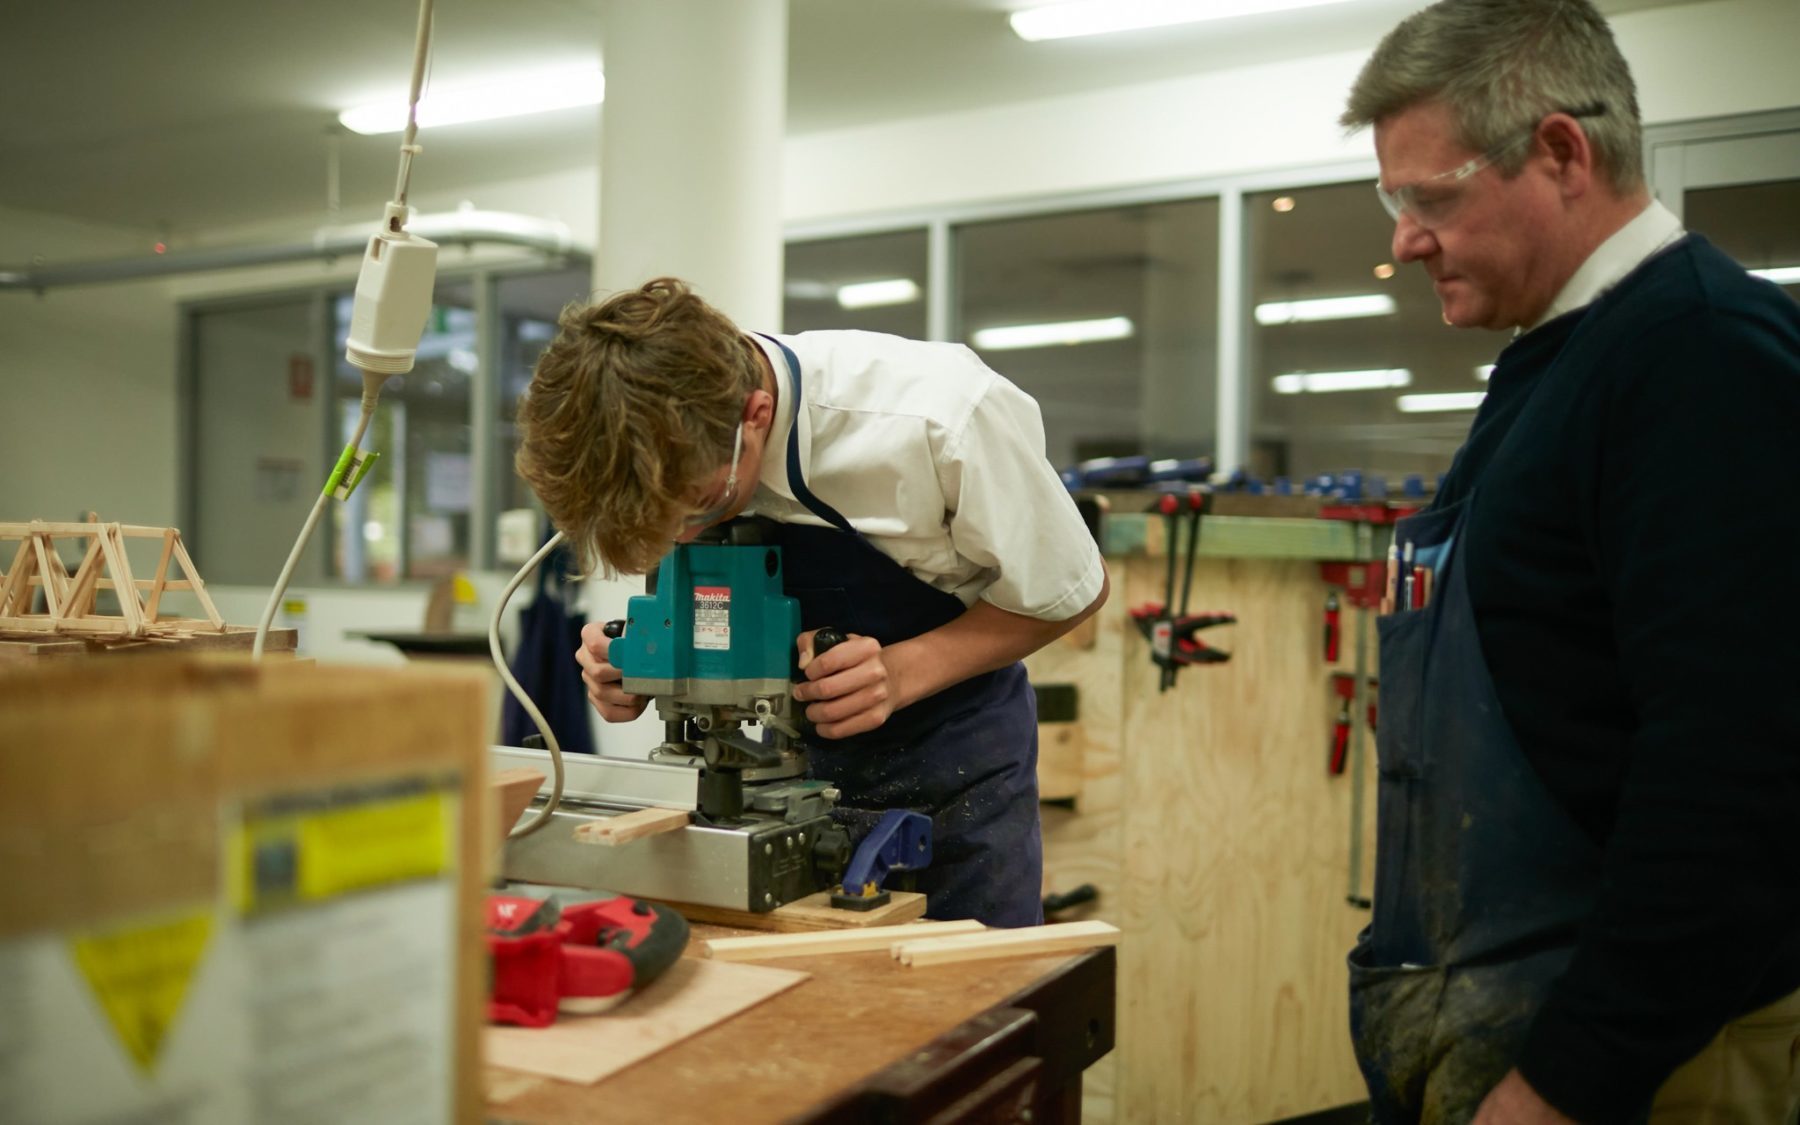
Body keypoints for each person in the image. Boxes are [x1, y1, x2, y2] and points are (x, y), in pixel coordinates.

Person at [1338, 1, 1800, 1121]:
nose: (1403, 240)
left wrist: (1568, 1080)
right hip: (1518, 1022)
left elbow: (1735, 775)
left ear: (1560, 153)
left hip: (1648, 1063)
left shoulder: (1700, 358)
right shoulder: (1555, 362)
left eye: (1428, 197)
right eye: (1392, 201)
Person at [513, 277, 1109, 927]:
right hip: (777, 786)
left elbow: (1071, 592)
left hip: (951, 783)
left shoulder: (939, 419)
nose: (683, 537)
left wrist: (902, 671)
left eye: (699, 510)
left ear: (756, 417)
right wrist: (637, 661)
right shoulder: (674, 449)